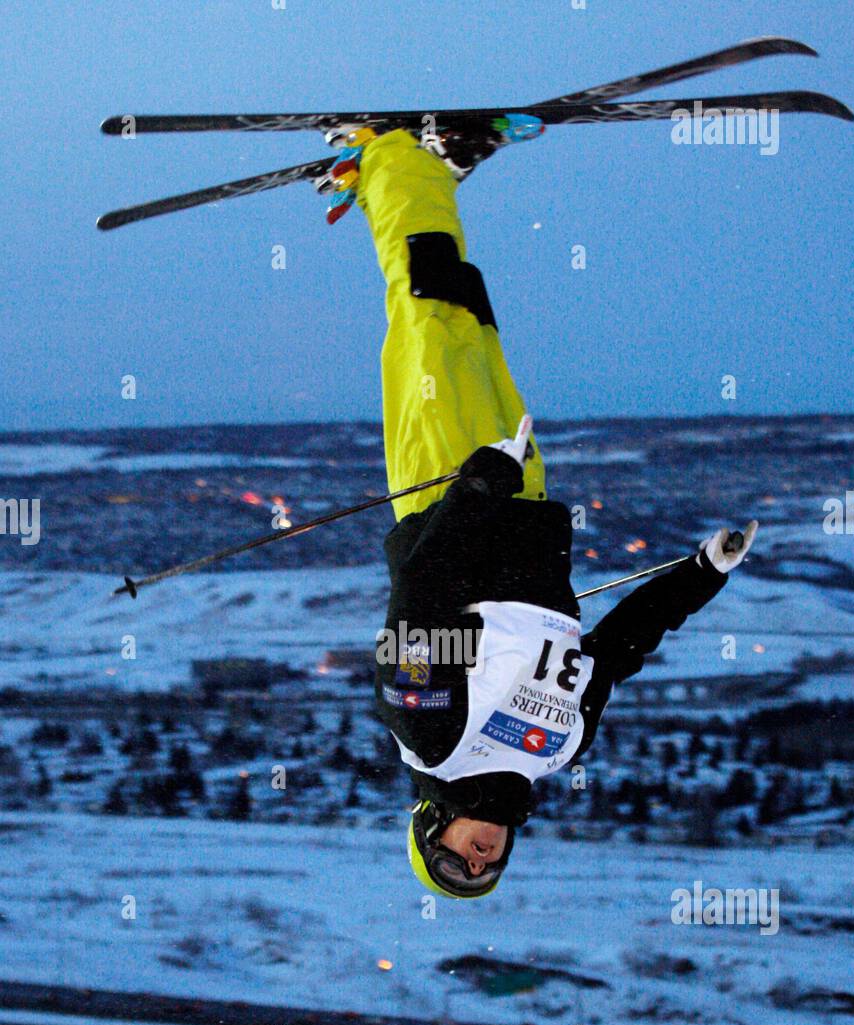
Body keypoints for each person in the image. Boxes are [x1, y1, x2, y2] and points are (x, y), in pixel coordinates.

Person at [321, 125, 757, 899]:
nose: (480, 855)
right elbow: (618, 649)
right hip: (524, 506)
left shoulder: (432, 738)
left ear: (431, 829)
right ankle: (433, 186)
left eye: (456, 860)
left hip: (447, 497)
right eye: (487, 869)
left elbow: (419, 597)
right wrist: (702, 574)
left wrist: (470, 493)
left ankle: (387, 162)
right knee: (474, 326)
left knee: (427, 322)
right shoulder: (553, 751)